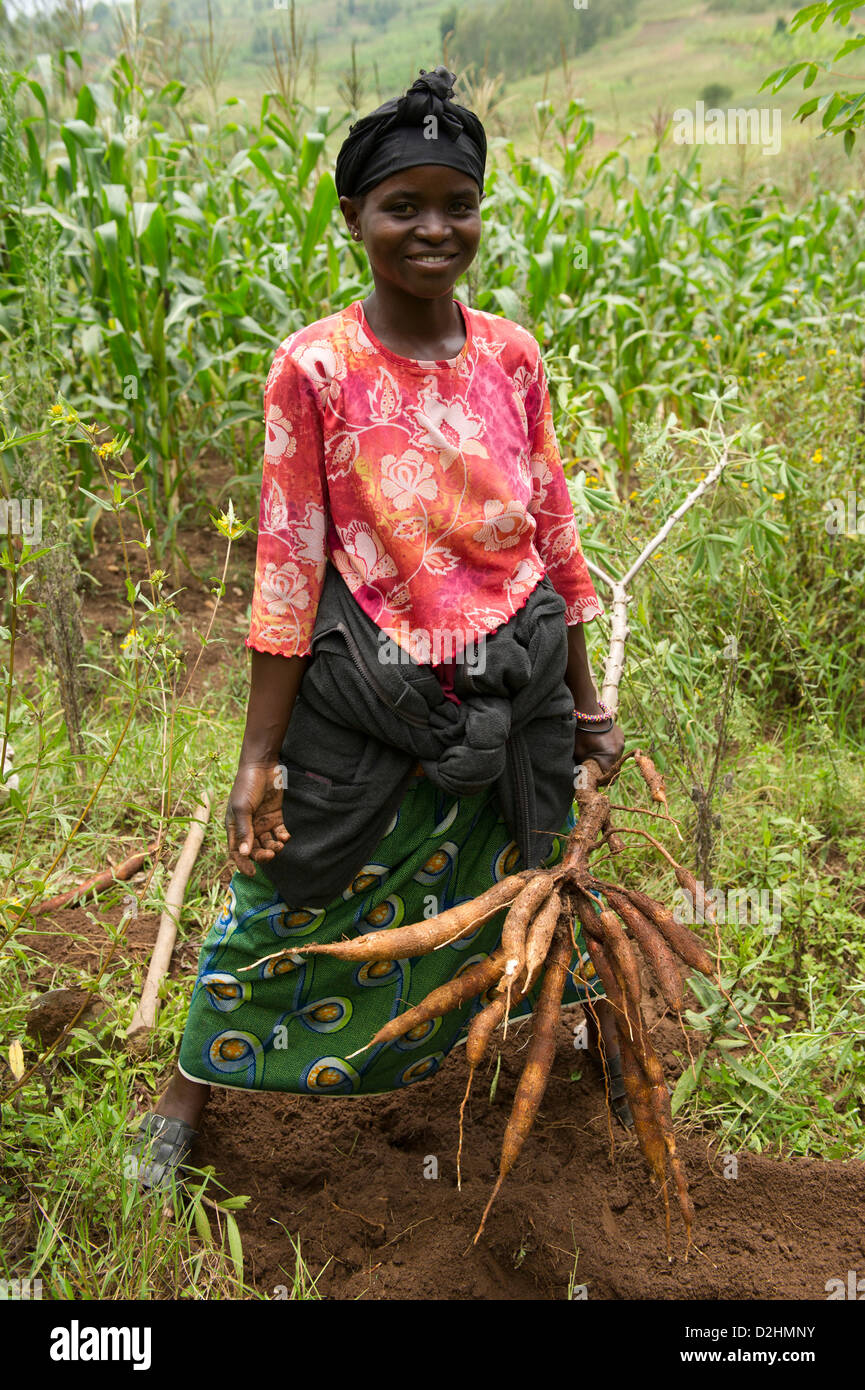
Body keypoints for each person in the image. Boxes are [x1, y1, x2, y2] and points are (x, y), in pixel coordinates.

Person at [130, 65, 629, 1191]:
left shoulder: (510, 354)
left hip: (518, 673)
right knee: (289, 884)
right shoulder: (315, 367)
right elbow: (288, 561)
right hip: (376, 685)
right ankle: (185, 1100)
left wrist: (584, 698)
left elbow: (554, 533)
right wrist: (259, 755)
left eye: (457, 203)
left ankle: (563, 1064)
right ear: (353, 217)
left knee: (535, 871)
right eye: (404, 205)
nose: (433, 228)